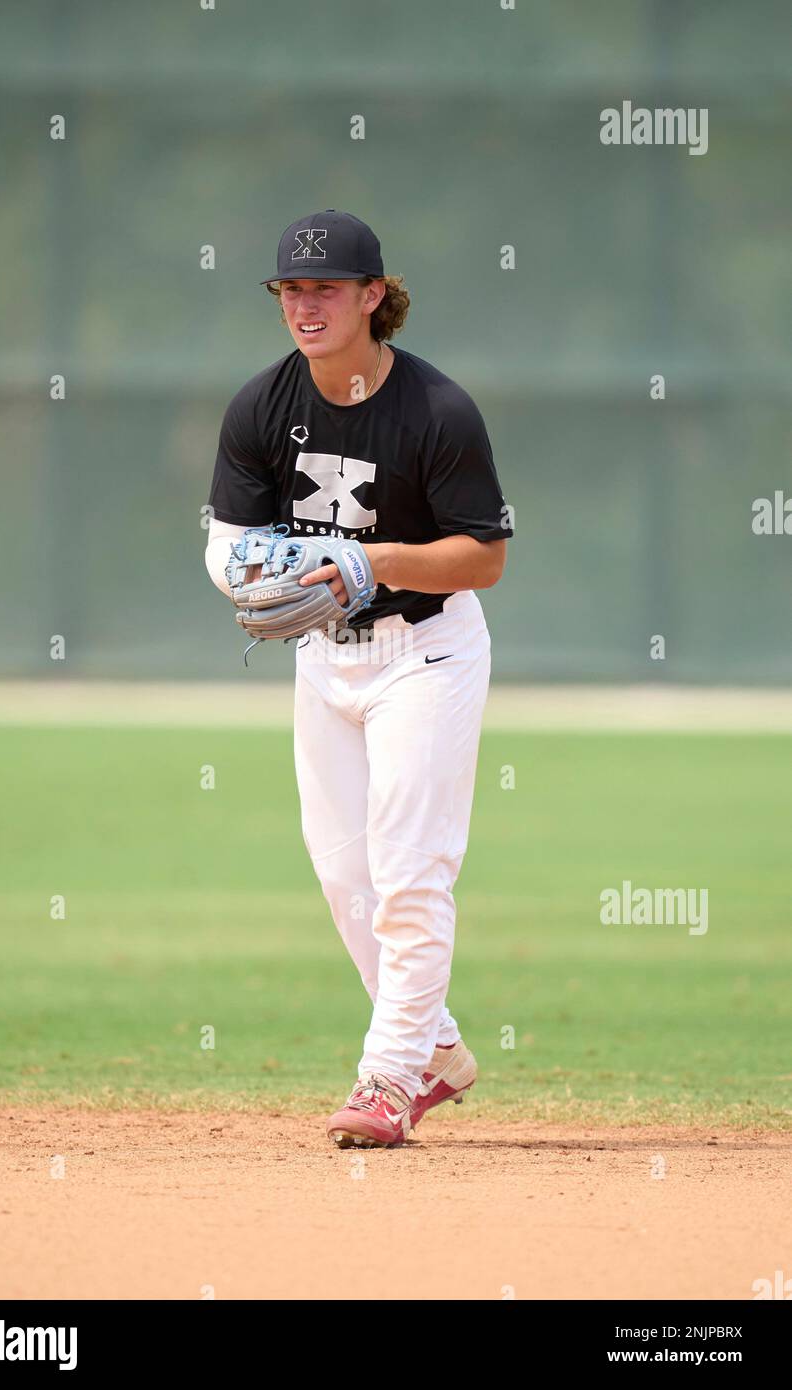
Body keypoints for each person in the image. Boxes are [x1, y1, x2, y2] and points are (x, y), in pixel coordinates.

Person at [204, 209, 512, 1147]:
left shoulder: (436, 410)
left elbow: (483, 558)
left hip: (426, 652)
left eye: (326, 288)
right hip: (325, 659)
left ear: (374, 297)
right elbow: (227, 542)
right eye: (291, 289)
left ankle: (387, 1080)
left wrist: (372, 564)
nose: (305, 304)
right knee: (347, 880)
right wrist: (250, 572)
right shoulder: (261, 405)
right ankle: (440, 1052)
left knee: (410, 874)